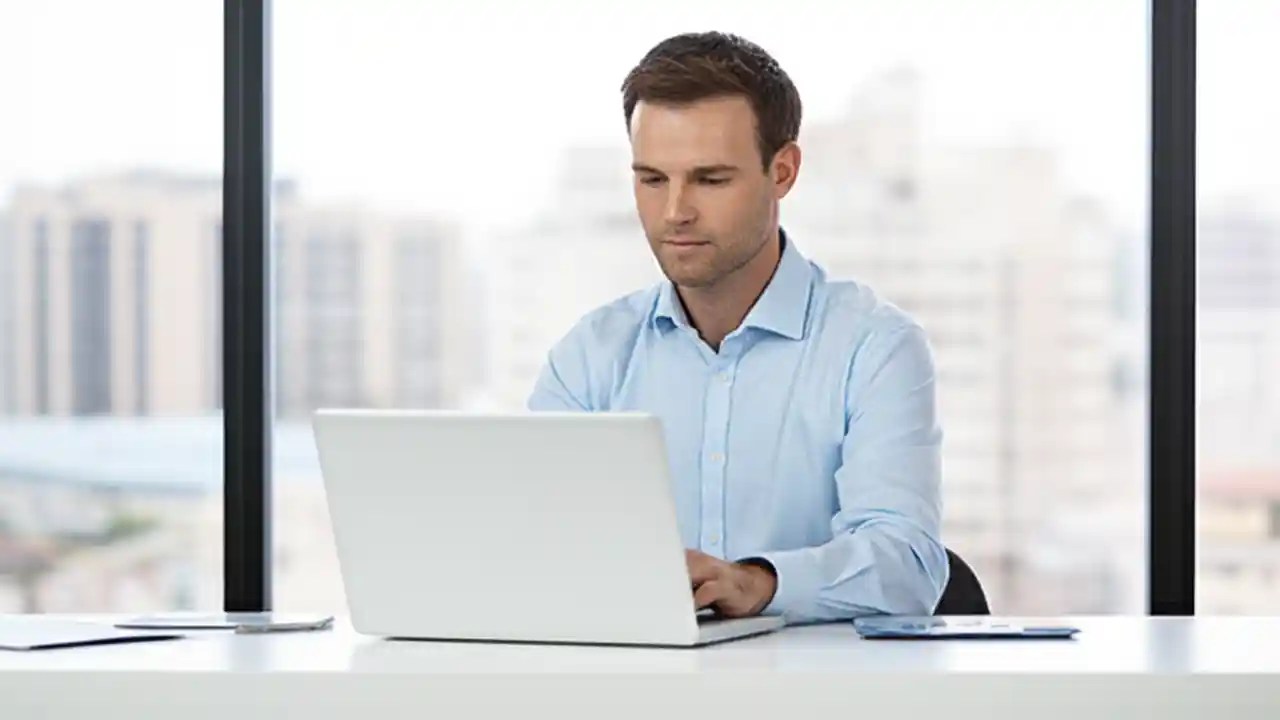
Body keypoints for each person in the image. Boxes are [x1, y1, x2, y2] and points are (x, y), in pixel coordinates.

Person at [528, 31, 948, 624]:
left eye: (711, 179)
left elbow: (907, 565)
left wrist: (759, 583)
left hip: (817, 681)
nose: (675, 212)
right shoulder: (589, 358)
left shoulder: (874, 348)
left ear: (783, 171)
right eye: (652, 179)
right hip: (633, 675)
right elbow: (532, 550)